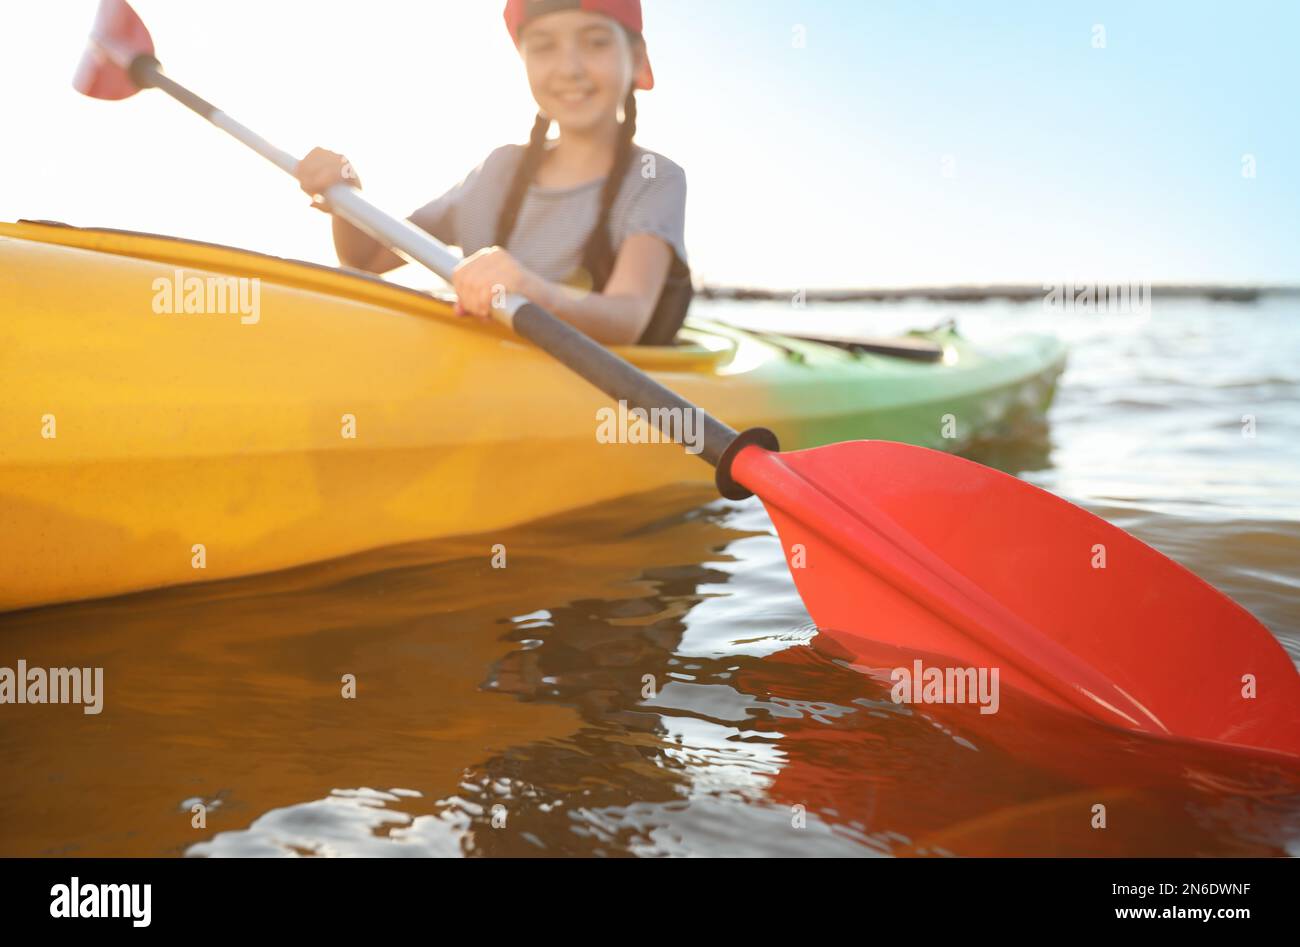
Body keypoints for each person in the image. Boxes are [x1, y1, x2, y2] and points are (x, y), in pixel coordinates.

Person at [295, 0, 691, 346]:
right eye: (543, 46)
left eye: (596, 42)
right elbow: (367, 257)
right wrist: (345, 193)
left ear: (637, 57)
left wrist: (531, 290)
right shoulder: (499, 170)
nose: (570, 67)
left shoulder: (654, 178)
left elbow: (628, 318)